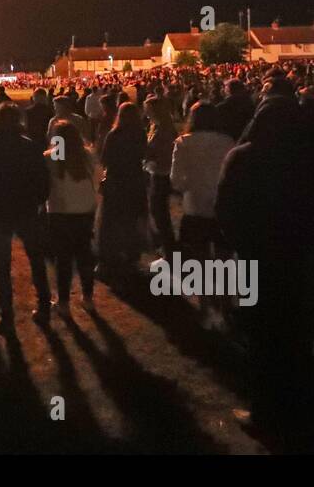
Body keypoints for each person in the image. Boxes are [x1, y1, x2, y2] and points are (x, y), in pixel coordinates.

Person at [215, 97, 314, 433]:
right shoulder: (312, 156)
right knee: (298, 326)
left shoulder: (245, 157)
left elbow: (225, 208)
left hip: (257, 256)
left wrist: (237, 241)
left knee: (262, 334)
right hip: (297, 257)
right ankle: (302, 400)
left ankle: (266, 410)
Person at [0, 102, 52, 328]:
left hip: (0, 211)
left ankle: (7, 312)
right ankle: (43, 305)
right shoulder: (30, 146)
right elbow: (43, 179)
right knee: (36, 259)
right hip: (25, 210)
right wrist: (39, 201)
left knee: (3, 266)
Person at [169, 101, 235, 326]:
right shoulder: (227, 142)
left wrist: (192, 183)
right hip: (222, 207)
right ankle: (228, 305)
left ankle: (206, 306)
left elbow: (176, 181)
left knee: (201, 260)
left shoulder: (184, 143)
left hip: (195, 207)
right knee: (224, 259)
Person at [44, 119, 98, 317]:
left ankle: (64, 302)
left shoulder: (49, 158)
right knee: (84, 254)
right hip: (84, 209)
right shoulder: (87, 156)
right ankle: (88, 298)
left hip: (60, 211)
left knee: (63, 258)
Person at [97, 101, 149, 275]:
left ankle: (110, 254)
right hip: (134, 179)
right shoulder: (140, 133)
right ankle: (132, 253)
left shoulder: (114, 134)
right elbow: (144, 154)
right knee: (132, 218)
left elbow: (105, 158)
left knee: (111, 219)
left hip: (116, 179)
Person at [143, 95, 178, 257]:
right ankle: (166, 245)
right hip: (155, 171)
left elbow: (162, 150)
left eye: (149, 110)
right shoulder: (155, 126)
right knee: (158, 210)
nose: (146, 113)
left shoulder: (164, 128)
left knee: (159, 211)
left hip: (162, 172)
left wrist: (149, 154)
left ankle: (168, 248)